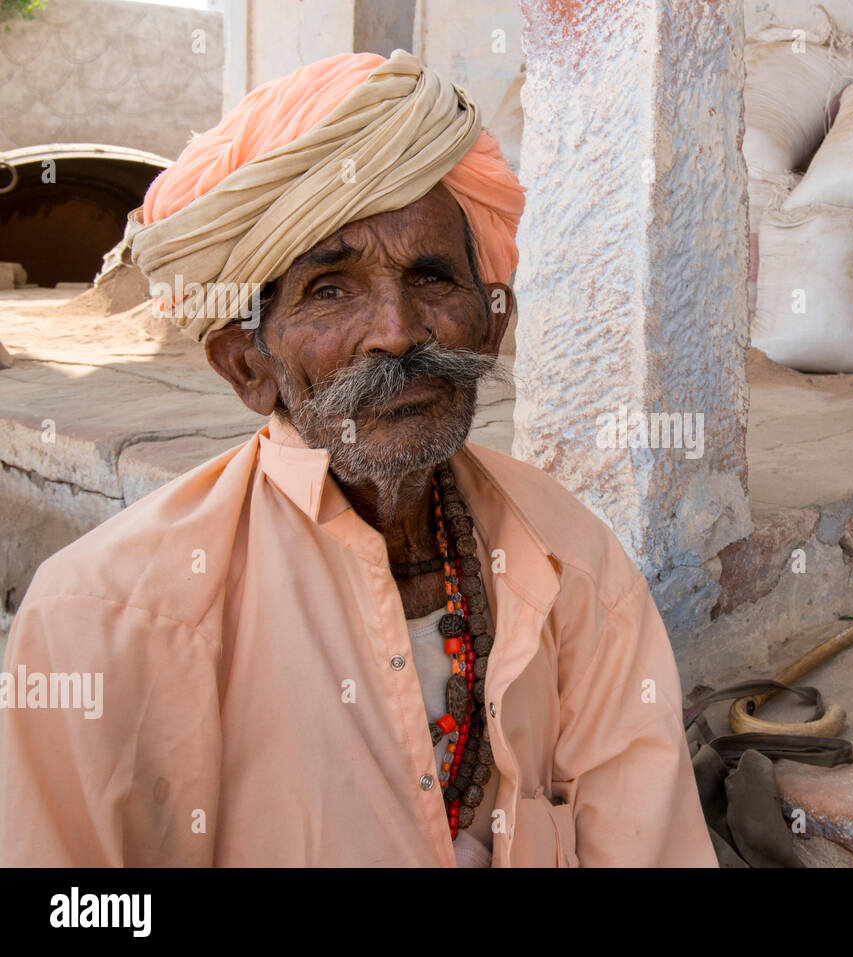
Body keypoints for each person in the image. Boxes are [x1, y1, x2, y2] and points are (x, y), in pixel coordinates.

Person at [0, 50, 717, 868]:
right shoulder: (102, 619)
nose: (398, 330)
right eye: (330, 289)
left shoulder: (577, 570)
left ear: (491, 322)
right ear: (247, 365)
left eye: (432, 277)